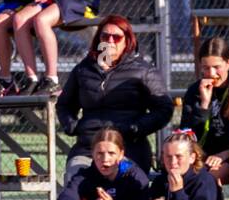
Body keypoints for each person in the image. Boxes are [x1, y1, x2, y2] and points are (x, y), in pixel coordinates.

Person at [55, 15, 173, 182]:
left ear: (127, 41)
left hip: (128, 150)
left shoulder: (143, 70)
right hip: (88, 149)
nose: (110, 41)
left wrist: (135, 128)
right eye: (105, 36)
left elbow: (164, 108)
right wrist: (73, 126)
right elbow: (64, 105)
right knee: (75, 180)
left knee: (126, 182)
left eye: (116, 37)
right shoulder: (84, 69)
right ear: (98, 40)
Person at [179, 36, 229, 185]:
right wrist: (204, 105)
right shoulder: (195, 91)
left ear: (228, 63)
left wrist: (226, 153)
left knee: (208, 180)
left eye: (216, 67)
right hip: (202, 156)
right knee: (176, 177)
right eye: (206, 67)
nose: (211, 73)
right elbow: (187, 131)